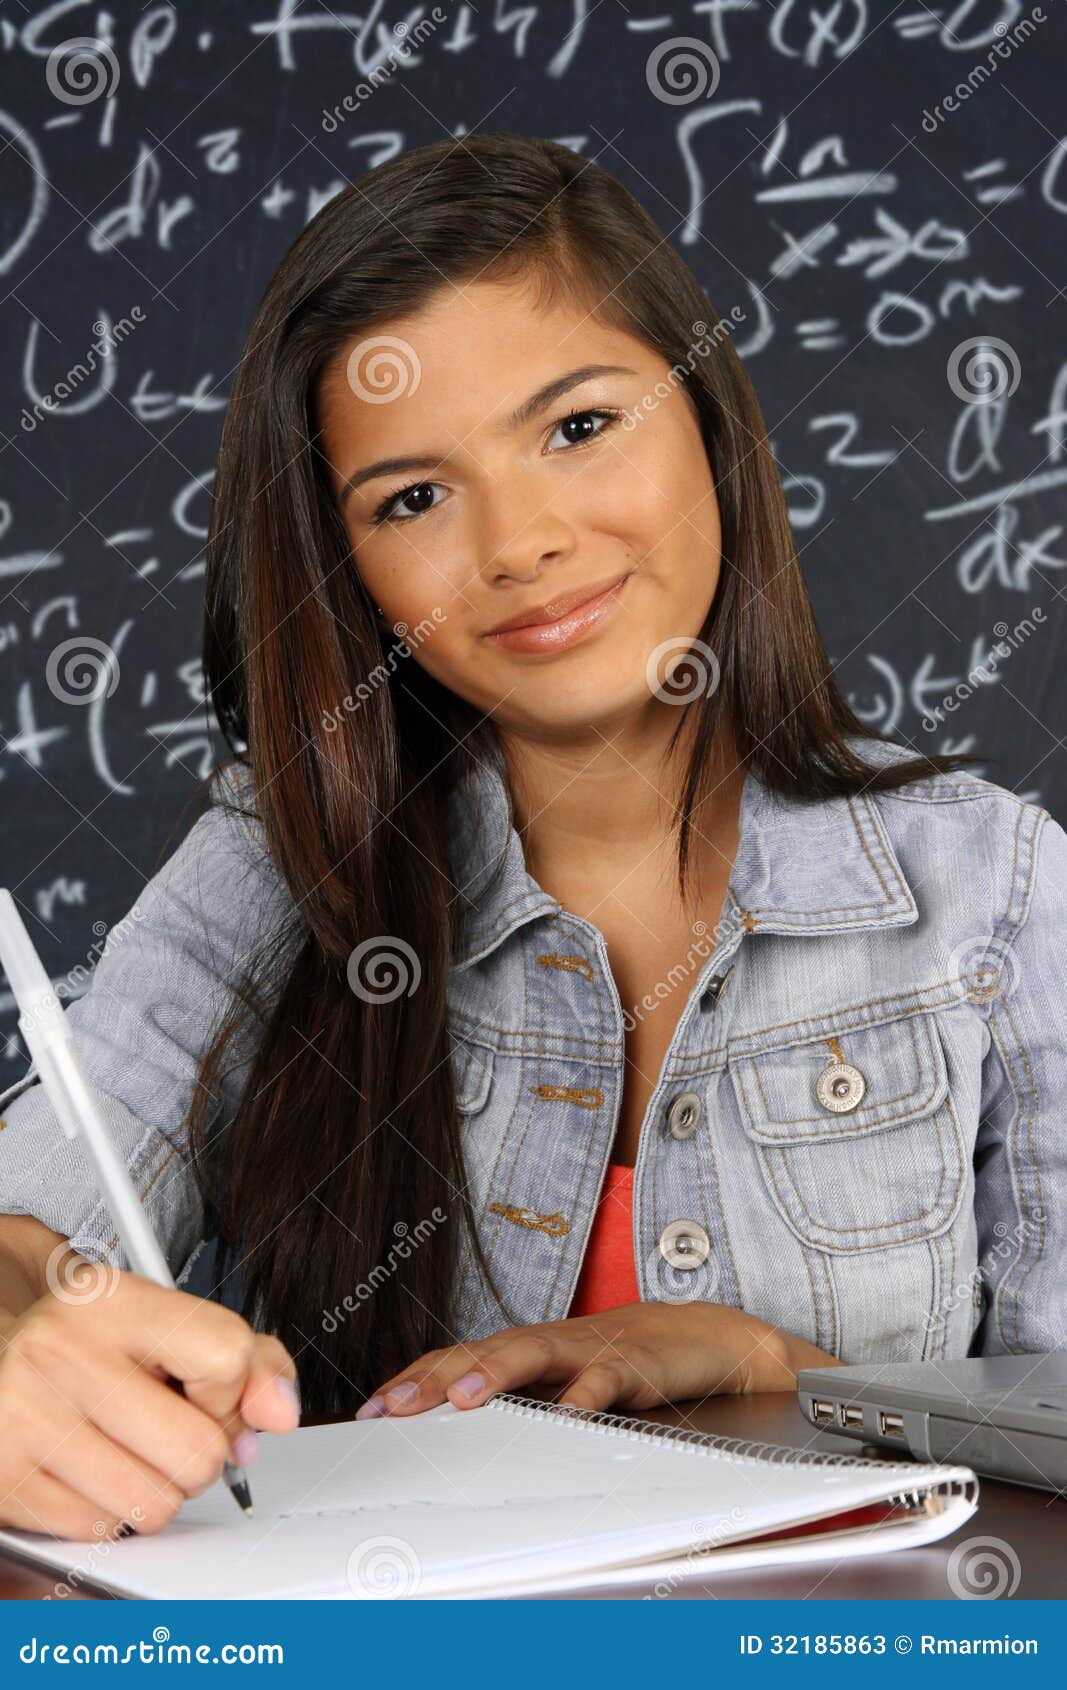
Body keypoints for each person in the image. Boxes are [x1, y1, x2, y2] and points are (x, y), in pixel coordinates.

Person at [1, 132, 1063, 1542]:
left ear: (708, 417)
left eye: (577, 426)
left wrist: (773, 1369)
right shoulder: (282, 864)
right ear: (351, 571)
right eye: (414, 498)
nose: (519, 543)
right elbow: (32, 1224)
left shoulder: (996, 888)